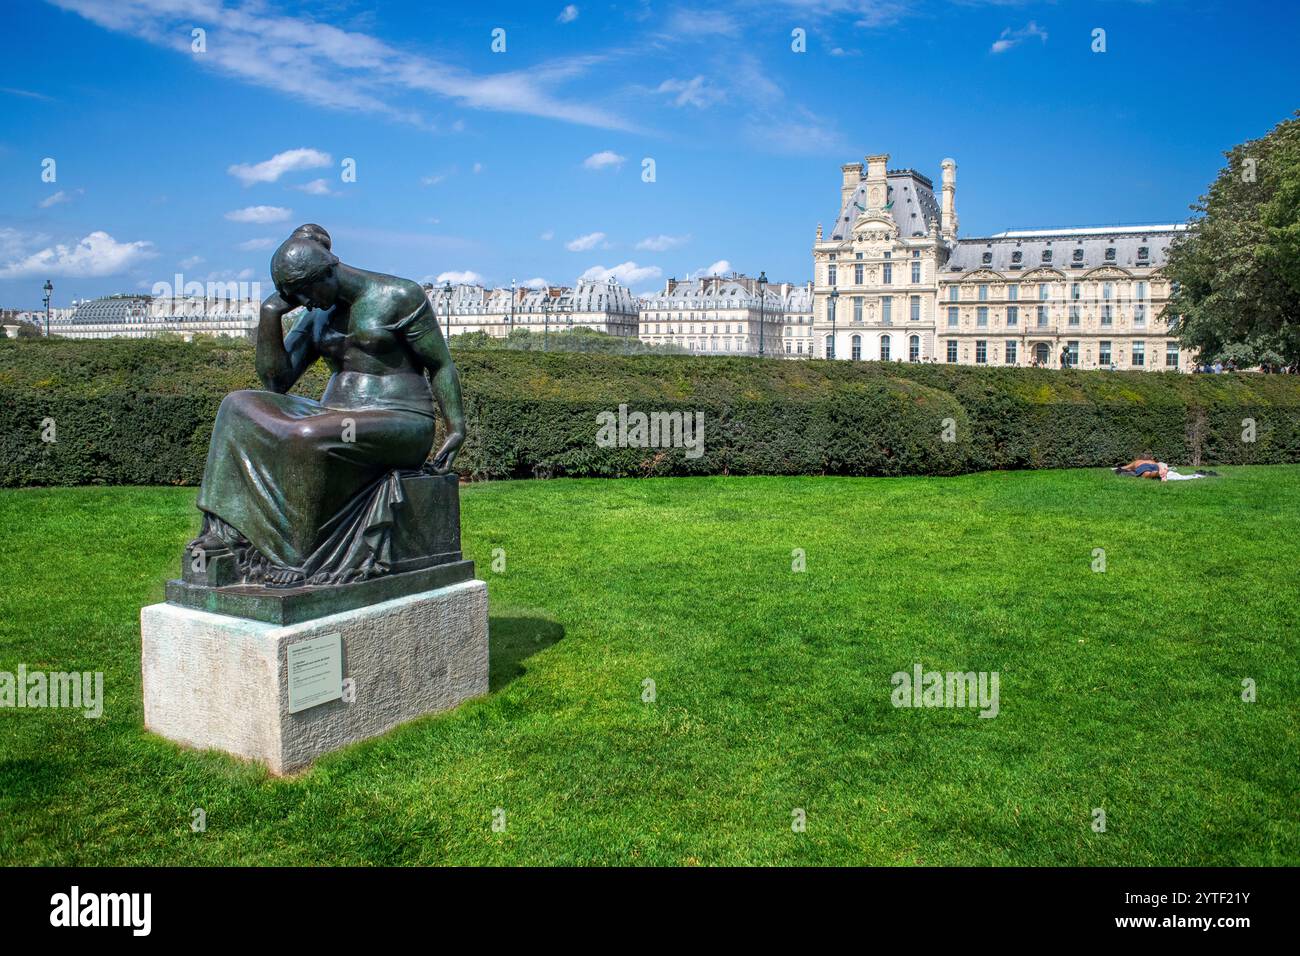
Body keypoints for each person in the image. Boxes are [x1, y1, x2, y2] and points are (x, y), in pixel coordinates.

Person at [187, 226, 466, 587]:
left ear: (327, 271)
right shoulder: (316, 312)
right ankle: (223, 533)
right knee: (236, 405)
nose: (304, 301)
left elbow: (440, 364)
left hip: (402, 420)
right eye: (294, 296)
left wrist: (456, 428)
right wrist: (270, 314)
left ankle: (293, 554)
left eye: (305, 291)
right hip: (334, 417)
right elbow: (277, 382)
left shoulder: (399, 295)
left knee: (306, 433)